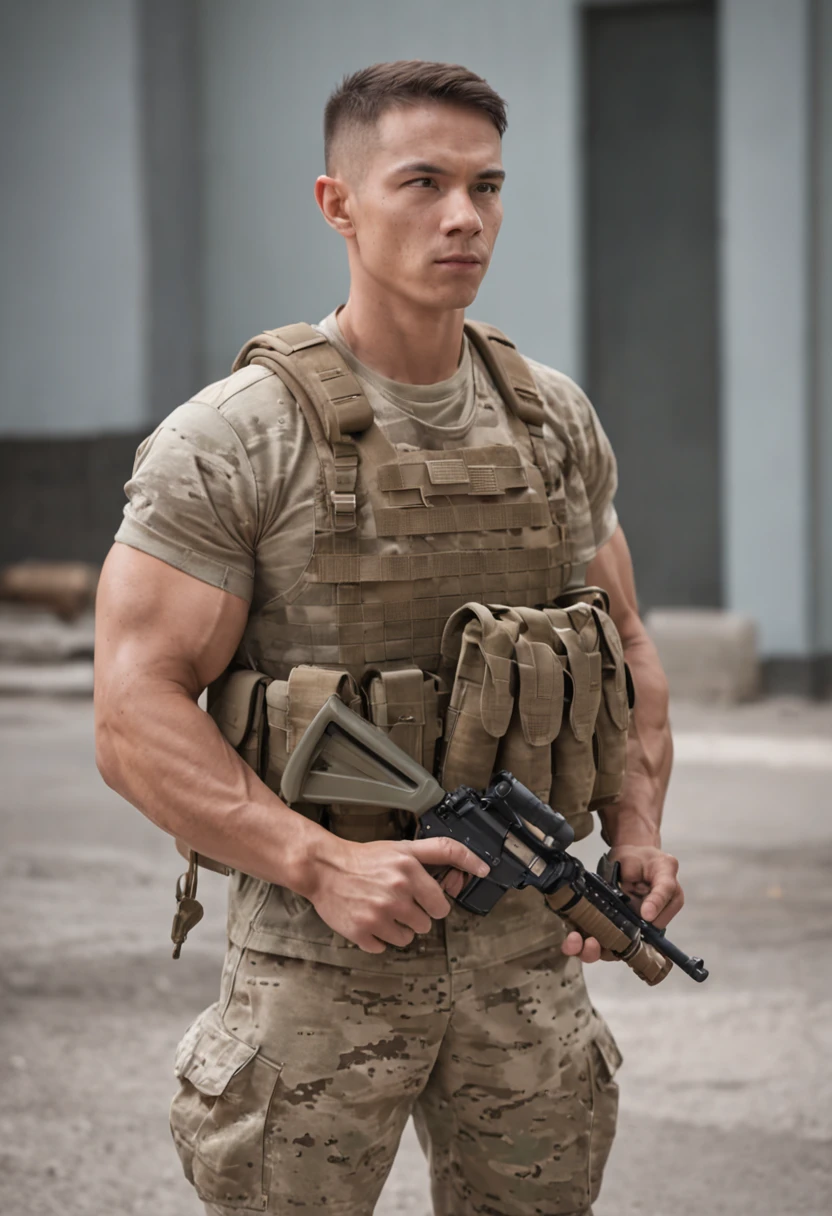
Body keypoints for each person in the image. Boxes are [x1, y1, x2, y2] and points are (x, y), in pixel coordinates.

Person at [94, 60, 681, 1216]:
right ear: (339, 203)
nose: (464, 217)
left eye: (487, 186)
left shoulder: (551, 420)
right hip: (320, 957)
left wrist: (638, 829)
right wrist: (322, 862)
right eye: (422, 182)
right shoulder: (235, 440)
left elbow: (625, 649)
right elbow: (132, 710)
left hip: (523, 947)